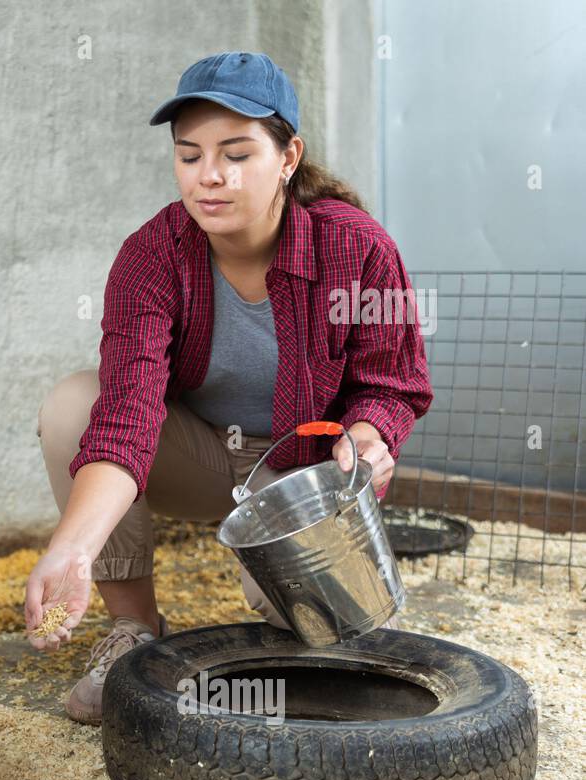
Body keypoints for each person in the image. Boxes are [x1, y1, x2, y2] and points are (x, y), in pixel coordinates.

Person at [24, 51, 433, 725]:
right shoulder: (152, 256)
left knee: (317, 629)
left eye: (236, 154)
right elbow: (126, 416)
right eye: (189, 156)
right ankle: (134, 626)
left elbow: (390, 383)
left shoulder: (355, 247)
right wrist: (71, 547)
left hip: (303, 481)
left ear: (289, 155)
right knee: (74, 404)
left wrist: (368, 437)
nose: (208, 176)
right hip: (201, 456)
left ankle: (287, 605)